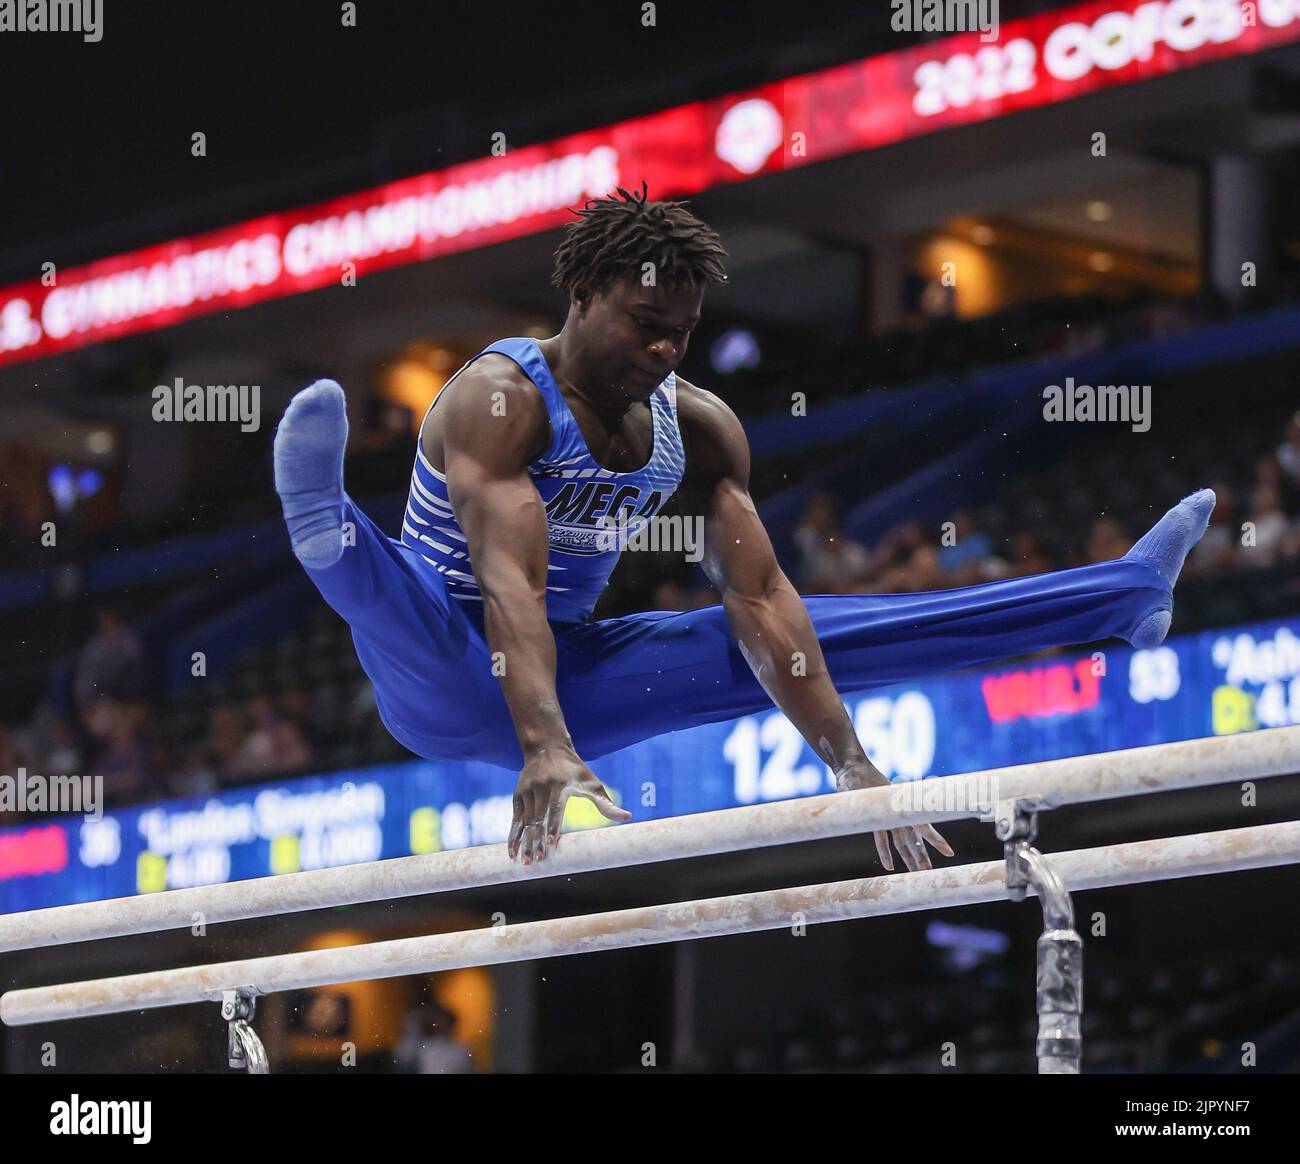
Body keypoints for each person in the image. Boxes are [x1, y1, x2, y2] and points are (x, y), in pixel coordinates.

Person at [273, 183, 1214, 872]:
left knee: (811, 629)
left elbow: (763, 597)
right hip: (445, 671)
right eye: (645, 322)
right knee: (416, 610)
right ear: (584, 294)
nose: (664, 350)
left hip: (568, 670)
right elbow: (509, 582)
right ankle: (327, 525)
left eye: (681, 332)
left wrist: (852, 764)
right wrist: (544, 743)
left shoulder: (702, 429)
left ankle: (1123, 596)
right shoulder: (499, 400)